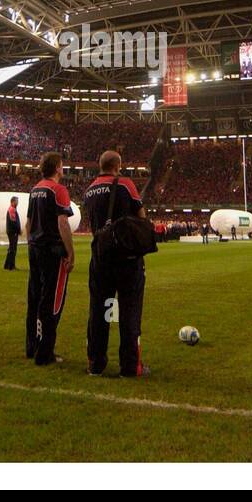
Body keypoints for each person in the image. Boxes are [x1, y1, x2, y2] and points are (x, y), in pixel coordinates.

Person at [83, 150, 148, 378]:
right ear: (118, 165)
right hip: (126, 257)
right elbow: (141, 216)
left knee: (99, 310)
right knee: (129, 310)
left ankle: (96, 363)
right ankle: (130, 366)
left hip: (101, 256)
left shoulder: (89, 189)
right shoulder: (125, 185)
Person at [25, 152, 75, 366]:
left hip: (35, 248)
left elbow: (28, 224)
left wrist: (31, 245)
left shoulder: (35, 190)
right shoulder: (58, 190)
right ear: (57, 168)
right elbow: (63, 223)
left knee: (34, 298)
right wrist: (70, 251)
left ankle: (32, 346)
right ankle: (45, 353)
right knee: (52, 301)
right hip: (52, 250)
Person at [3, 195, 21, 271]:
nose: (17, 203)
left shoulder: (12, 209)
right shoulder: (12, 209)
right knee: (13, 249)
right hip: (13, 231)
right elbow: (13, 221)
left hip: (11, 231)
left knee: (11, 248)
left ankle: (7, 265)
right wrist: (18, 230)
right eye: (16, 201)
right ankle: (11, 266)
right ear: (13, 202)